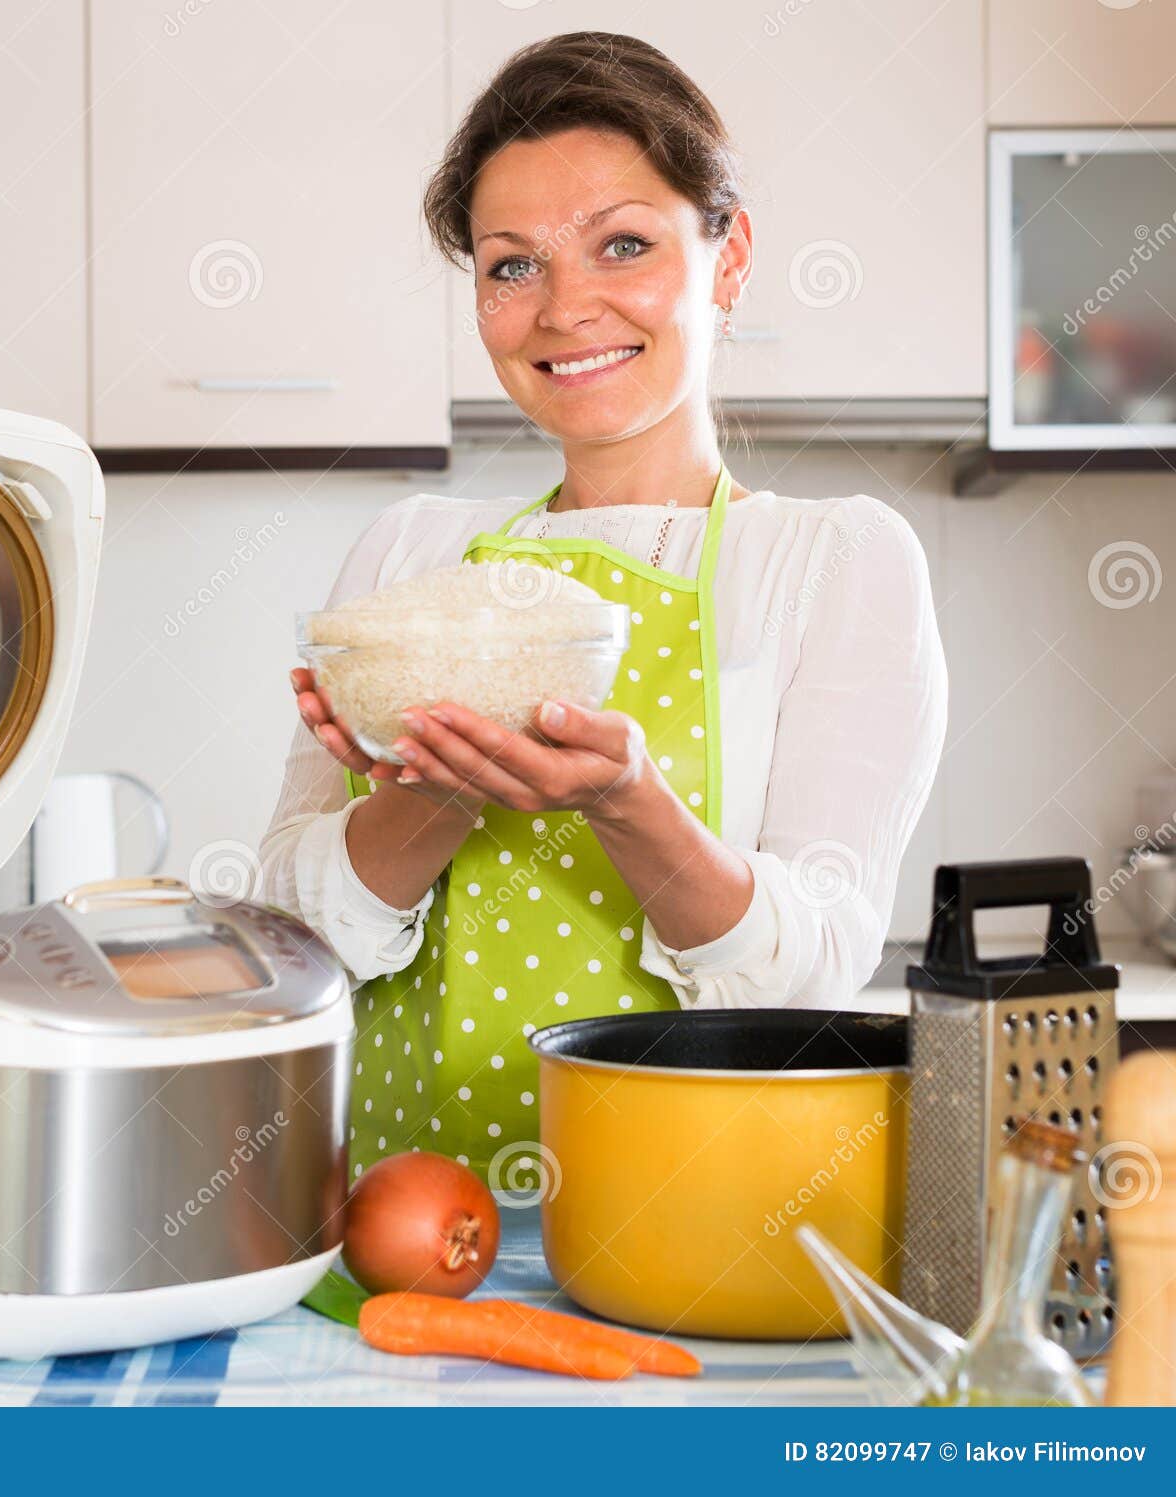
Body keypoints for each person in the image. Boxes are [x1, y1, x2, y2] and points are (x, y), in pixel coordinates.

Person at [261, 32, 947, 1178]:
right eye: (510, 264)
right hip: (407, 1225)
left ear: (725, 260)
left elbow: (815, 971)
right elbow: (291, 936)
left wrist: (630, 804)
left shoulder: (830, 563)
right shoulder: (409, 556)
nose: (562, 308)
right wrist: (429, 799)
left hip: (693, 1223)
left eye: (621, 244)